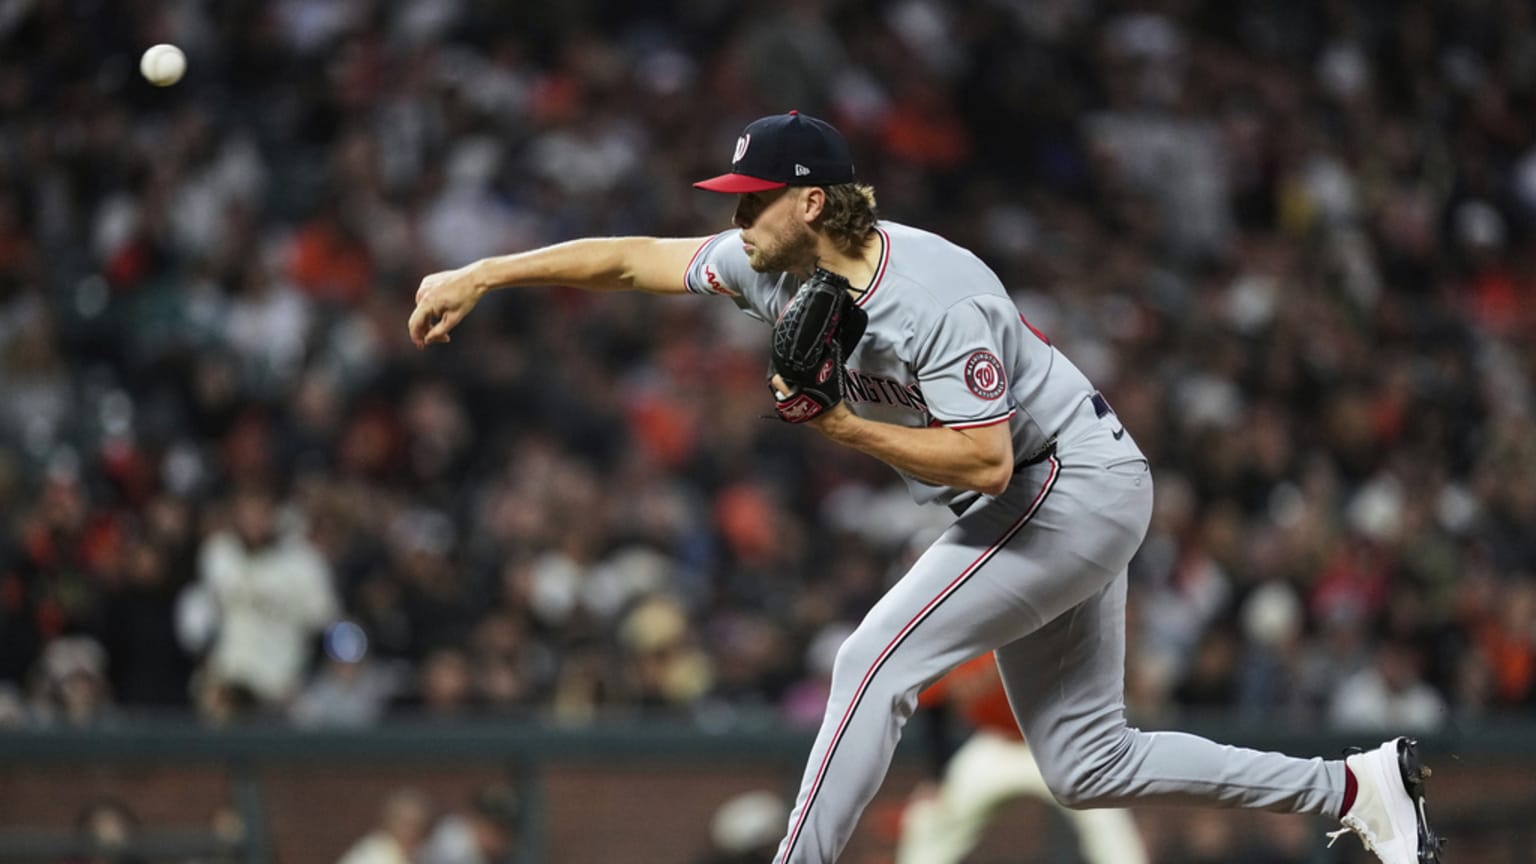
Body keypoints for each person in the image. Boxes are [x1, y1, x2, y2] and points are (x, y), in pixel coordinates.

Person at [408, 111, 1441, 864]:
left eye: (753, 201)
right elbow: (636, 261)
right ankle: (1356, 786)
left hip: (1060, 482)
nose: (738, 219)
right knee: (1086, 764)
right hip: (1052, 490)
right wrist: (486, 272)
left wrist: (843, 424)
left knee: (870, 661)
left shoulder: (930, 294)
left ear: (812, 202)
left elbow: (988, 460)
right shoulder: (773, 266)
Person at [895, 654, 1148, 864]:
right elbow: (934, 710)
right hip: (996, 743)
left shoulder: (1037, 627)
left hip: (1057, 744)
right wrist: (937, 779)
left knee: (1105, 817)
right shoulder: (962, 645)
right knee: (931, 815)